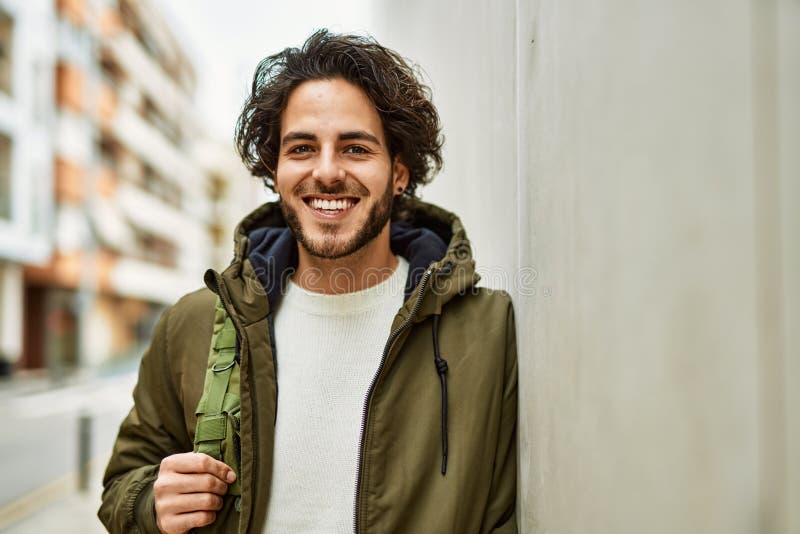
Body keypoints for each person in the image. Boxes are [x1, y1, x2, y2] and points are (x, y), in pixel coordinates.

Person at [98, 29, 518, 534]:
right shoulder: (194, 323)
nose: (326, 172)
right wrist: (151, 503)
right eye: (301, 148)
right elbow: (123, 483)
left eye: (355, 148)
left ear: (399, 172)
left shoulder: (486, 331)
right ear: (275, 170)